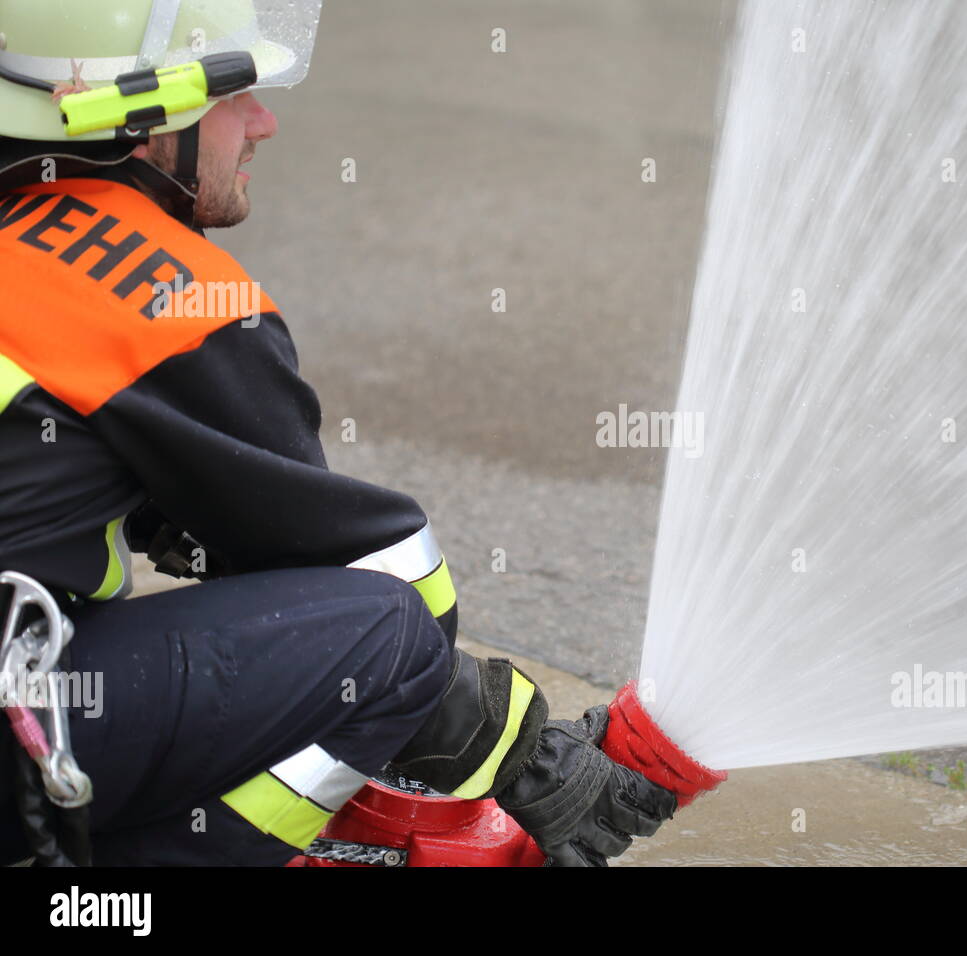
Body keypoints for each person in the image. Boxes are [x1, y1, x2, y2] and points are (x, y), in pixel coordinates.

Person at [0, 0, 674, 867]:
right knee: (385, 634)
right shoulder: (161, 294)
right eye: (232, 95)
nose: (264, 122)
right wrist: (538, 762)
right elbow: (375, 577)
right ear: (141, 122)